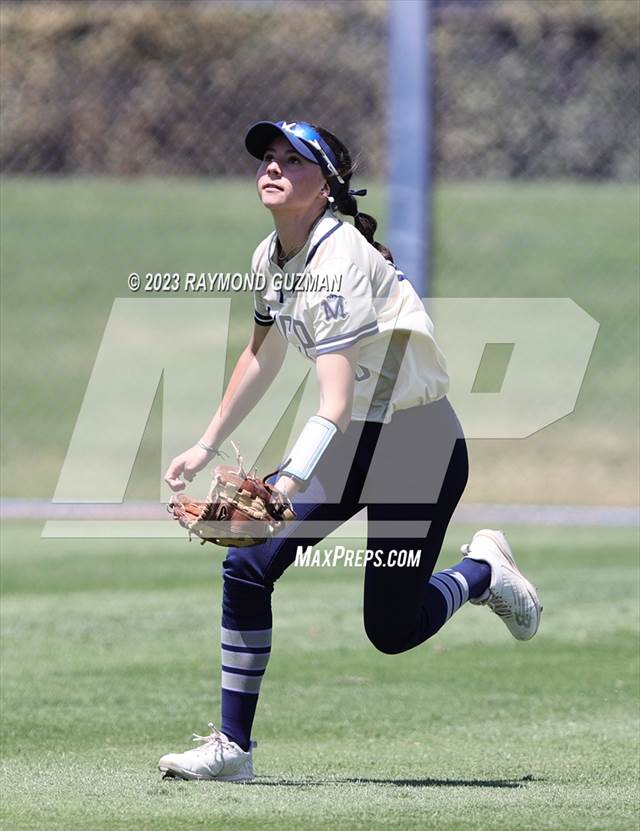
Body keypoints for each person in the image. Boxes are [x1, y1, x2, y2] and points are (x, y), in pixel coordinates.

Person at [159, 120, 542, 782]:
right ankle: (233, 748)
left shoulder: (338, 263)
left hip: (417, 446)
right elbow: (261, 354)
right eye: (267, 158)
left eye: (292, 160)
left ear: (327, 186)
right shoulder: (270, 256)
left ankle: (482, 572)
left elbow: (332, 403)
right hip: (353, 440)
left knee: (391, 630)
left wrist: (286, 481)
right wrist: (205, 441)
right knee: (248, 567)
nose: (271, 168)